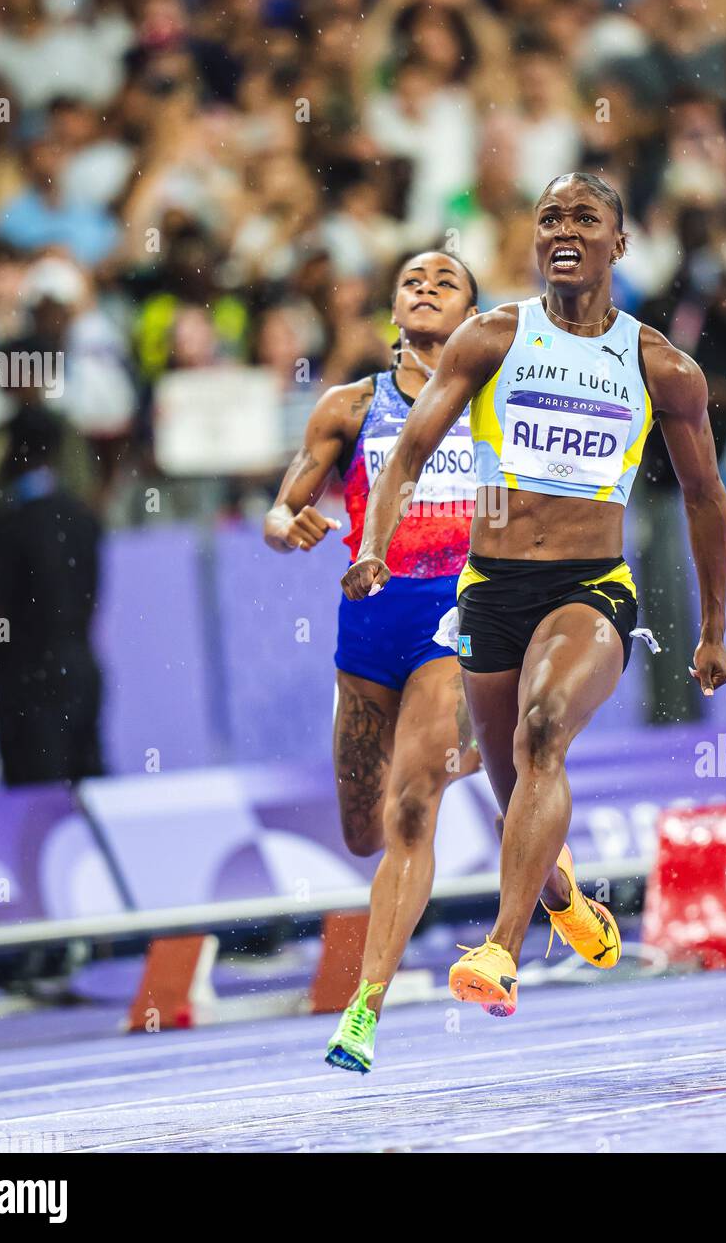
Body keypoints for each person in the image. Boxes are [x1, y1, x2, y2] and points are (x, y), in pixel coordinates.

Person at [343, 173, 726, 1017]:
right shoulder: (489, 338)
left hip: (590, 587)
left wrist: (710, 627)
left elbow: (704, 496)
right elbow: (407, 455)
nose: (563, 228)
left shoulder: (659, 364)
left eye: (584, 217)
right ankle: (561, 897)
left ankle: (502, 950)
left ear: (617, 244)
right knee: (507, 778)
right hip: (489, 591)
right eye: (548, 216)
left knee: (542, 732)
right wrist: (374, 544)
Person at [263, 250, 480, 1073]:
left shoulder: (489, 403)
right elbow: (279, 514)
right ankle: (486, 761)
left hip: (450, 614)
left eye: (446, 282)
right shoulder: (349, 407)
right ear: (391, 306)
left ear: (469, 316)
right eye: (412, 280)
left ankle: (364, 1009)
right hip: (366, 626)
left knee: (411, 808)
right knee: (363, 830)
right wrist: (289, 527)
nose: (425, 288)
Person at [0, 405, 103, 787]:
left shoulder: (10, 526)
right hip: (80, 671)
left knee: (35, 809)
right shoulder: (84, 521)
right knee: (87, 798)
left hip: (29, 685)